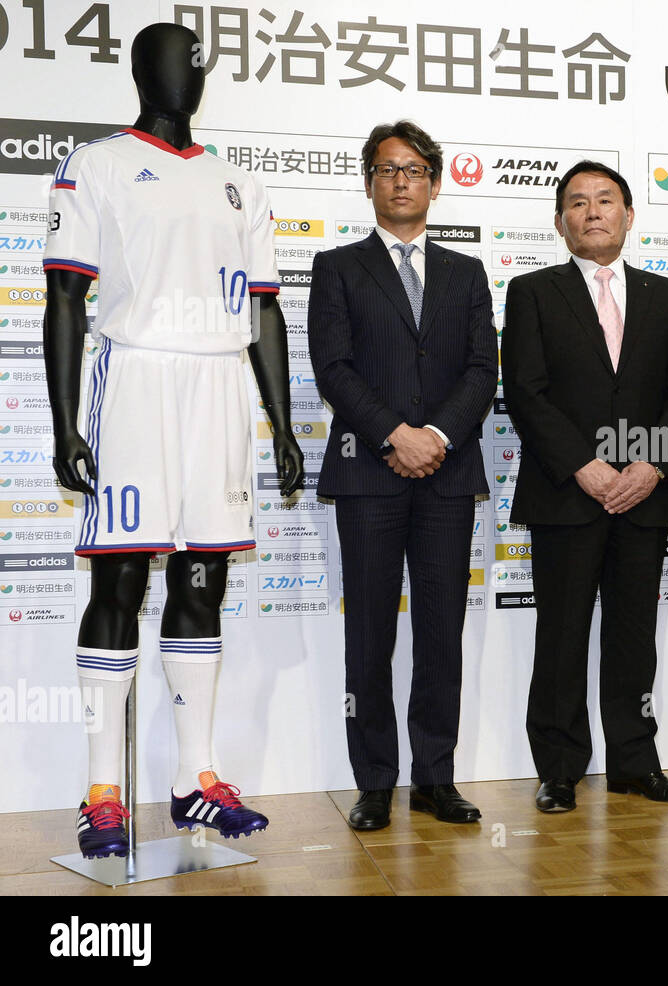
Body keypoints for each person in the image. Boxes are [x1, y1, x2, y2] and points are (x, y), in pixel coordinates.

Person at [43, 23, 304, 858]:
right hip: (139, 383)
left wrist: (283, 422)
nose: (181, 74)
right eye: (166, 58)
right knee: (118, 587)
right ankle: (100, 792)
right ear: (139, 70)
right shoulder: (97, 165)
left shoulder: (239, 184)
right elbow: (65, 301)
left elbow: (264, 308)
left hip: (217, 390)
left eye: (194, 60)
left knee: (203, 583)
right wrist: (63, 422)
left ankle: (195, 780)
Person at [308, 121, 496, 830]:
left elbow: (484, 368)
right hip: (370, 476)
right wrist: (393, 434)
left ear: (435, 182)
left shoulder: (466, 272)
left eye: (414, 169)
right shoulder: (338, 267)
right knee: (370, 638)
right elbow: (335, 368)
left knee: (441, 631)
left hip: (447, 478)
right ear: (369, 183)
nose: (401, 181)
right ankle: (375, 782)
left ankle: (436, 779)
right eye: (387, 170)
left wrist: (438, 437)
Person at [501, 162, 668, 813]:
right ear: (562, 222)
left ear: (628, 216)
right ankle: (559, 767)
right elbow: (526, 393)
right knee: (560, 635)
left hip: (645, 496)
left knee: (633, 637)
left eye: (606, 200)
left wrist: (649, 466)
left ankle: (635, 763)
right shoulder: (532, 292)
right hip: (567, 495)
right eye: (578, 203)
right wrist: (585, 466)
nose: (593, 212)